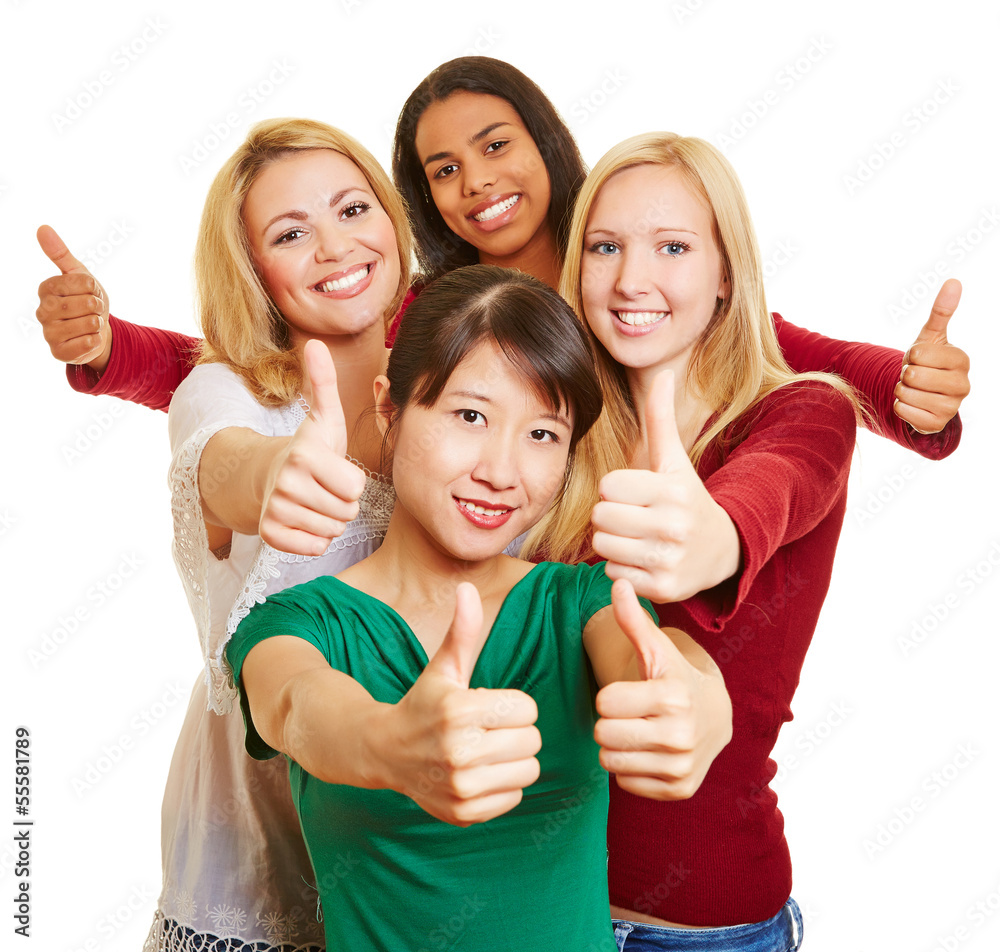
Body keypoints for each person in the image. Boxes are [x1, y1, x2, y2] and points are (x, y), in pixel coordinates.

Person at [36, 58, 969, 477]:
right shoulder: (433, 309)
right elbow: (262, 358)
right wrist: (105, 346)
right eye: (443, 170)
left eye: (494, 145)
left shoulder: (627, 277)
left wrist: (914, 392)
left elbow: (787, 351)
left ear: (545, 142)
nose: (476, 183)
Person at [223, 265, 734, 952]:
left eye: (543, 435)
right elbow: (296, 705)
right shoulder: (298, 624)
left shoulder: (575, 602)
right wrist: (391, 745)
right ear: (389, 409)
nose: (501, 471)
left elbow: (655, 659)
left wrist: (705, 700)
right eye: (470, 416)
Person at [548, 131, 901, 948]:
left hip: (700, 929)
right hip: (537, 910)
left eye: (672, 246)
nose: (632, 280)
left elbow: (763, 497)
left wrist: (708, 538)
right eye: (606, 247)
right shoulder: (557, 432)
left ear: (726, 277)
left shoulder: (803, 412)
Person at [86, 116, 413, 951]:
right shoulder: (225, 391)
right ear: (254, 270)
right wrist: (275, 479)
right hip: (254, 866)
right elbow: (223, 463)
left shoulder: (447, 389)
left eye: (352, 210)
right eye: (291, 233)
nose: (336, 248)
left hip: (408, 869)